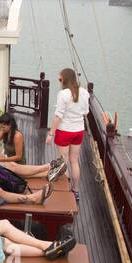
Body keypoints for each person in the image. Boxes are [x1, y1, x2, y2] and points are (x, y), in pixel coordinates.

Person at [0, 113, 66, 181]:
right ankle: (51, 171)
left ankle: (49, 166)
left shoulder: (17, 136)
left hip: (18, 162)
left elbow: (18, 157)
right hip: (8, 159)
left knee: (23, 175)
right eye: (1, 126)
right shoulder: (3, 132)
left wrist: (0, 159)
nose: (1, 128)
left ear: (10, 125)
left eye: (3, 127)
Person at [49, 67, 89, 200]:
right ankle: (76, 190)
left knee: (63, 162)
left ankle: (65, 191)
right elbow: (86, 112)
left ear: (65, 79)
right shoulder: (84, 93)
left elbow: (58, 116)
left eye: (60, 79)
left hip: (64, 131)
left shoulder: (63, 94)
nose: (59, 82)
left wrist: (51, 133)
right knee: (74, 161)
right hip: (79, 131)